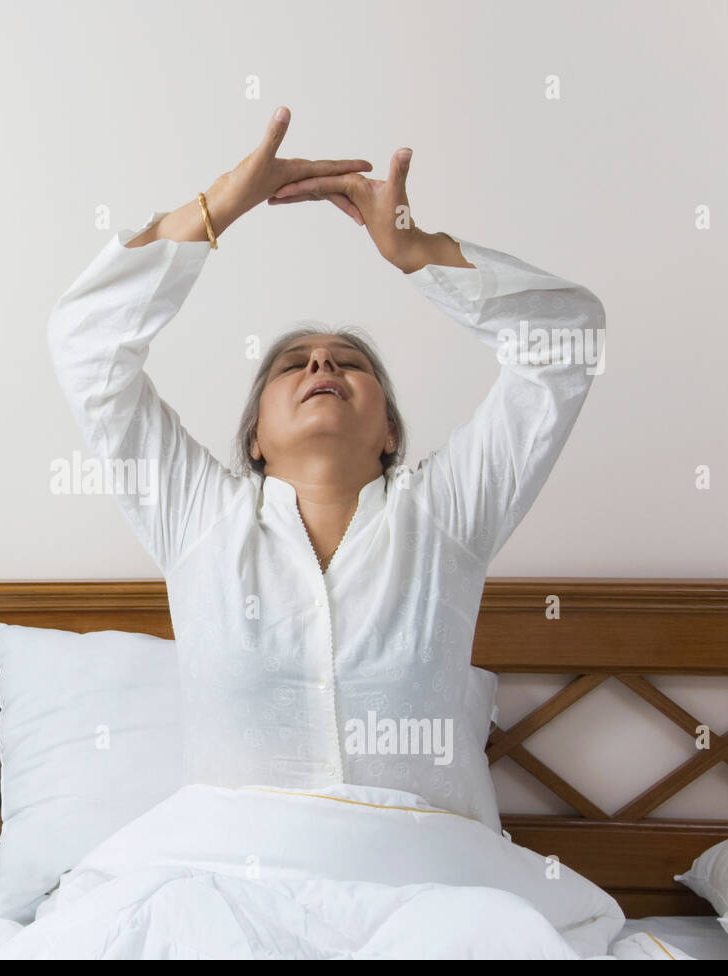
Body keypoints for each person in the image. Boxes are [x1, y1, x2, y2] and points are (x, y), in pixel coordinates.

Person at [47, 106, 605, 831]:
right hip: (232, 894)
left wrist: (418, 250)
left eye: (349, 362)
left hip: (426, 896)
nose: (320, 363)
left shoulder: (445, 519)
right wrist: (218, 206)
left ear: (390, 431)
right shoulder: (198, 520)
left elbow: (566, 338)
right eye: (294, 363)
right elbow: (84, 344)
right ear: (254, 440)